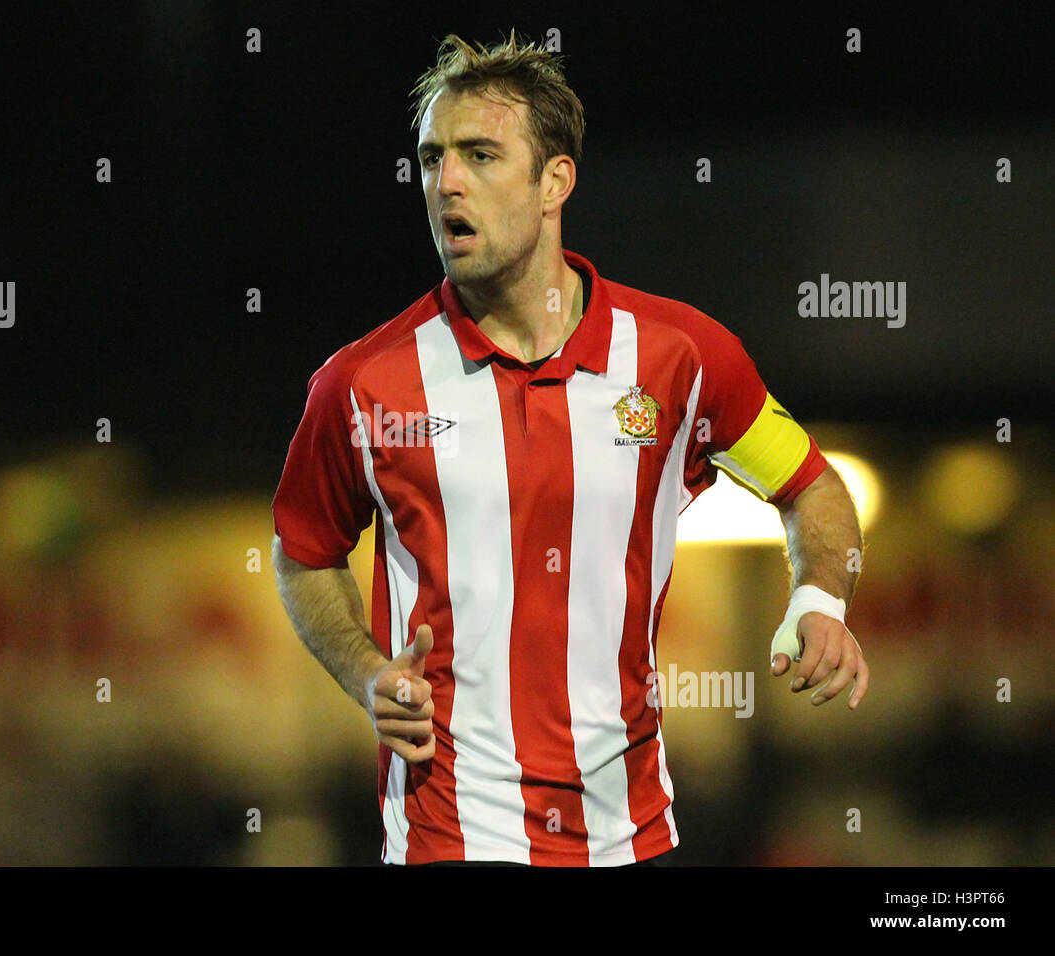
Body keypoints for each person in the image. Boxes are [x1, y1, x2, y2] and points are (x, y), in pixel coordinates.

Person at [271, 31, 868, 866]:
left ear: (556, 180)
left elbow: (810, 485)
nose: (446, 182)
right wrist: (366, 674)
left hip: (632, 836)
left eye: (480, 154)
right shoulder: (362, 384)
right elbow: (301, 553)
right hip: (451, 839)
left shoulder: (679, 358)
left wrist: (821, 602)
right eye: (431, 157)